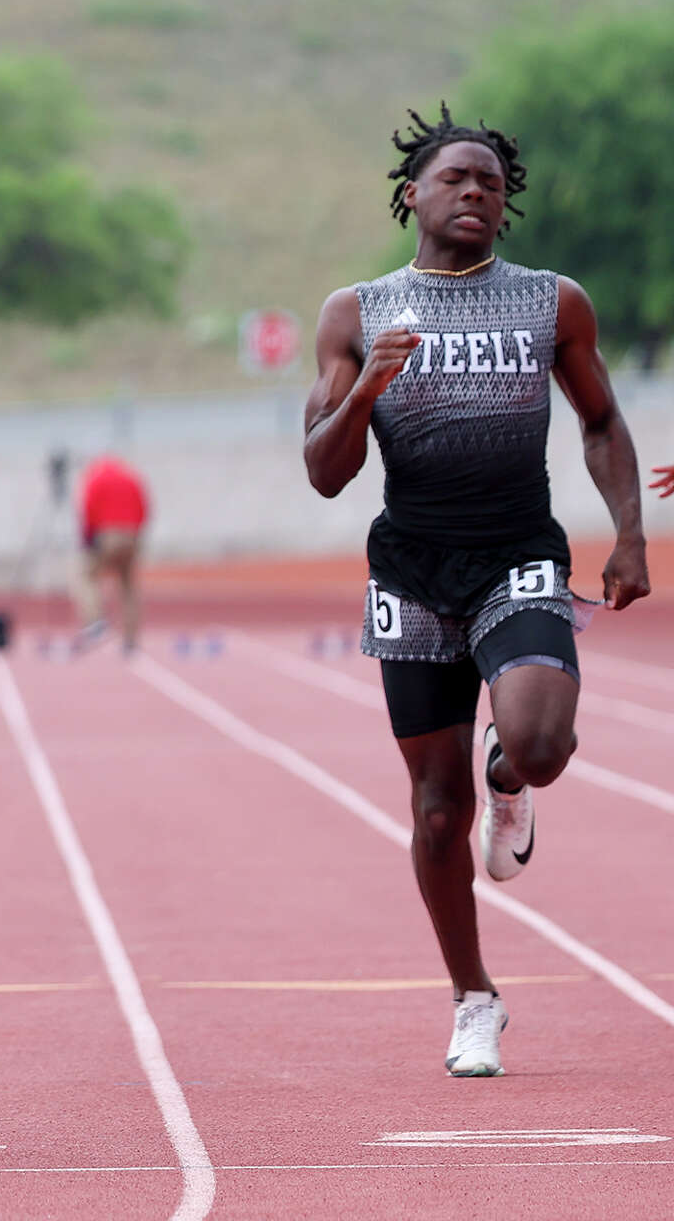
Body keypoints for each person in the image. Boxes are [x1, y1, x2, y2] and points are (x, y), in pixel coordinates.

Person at [303, 104, 648, 1079]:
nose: (474, 193)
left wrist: (628, 531)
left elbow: (602, 419)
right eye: (455, 178)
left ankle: (512, 777)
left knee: (540, 743)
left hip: (518, 553)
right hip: (410, 567)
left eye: (491, 183)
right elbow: (324, 471)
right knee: (435, 811)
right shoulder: (356, 312)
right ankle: (474, 997)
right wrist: (365, 388)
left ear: (507, 206)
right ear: (411, 193)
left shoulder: (552, 301)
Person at [73, 453, 147, 653]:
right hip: (132, 534)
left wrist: (87, 540)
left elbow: (88, 510)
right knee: (128, 585)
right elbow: (144, 507)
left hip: (107, 534)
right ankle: (131, 639)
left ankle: (95, 620)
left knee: (85, 575)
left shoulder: (95, 478)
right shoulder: (132, 477)